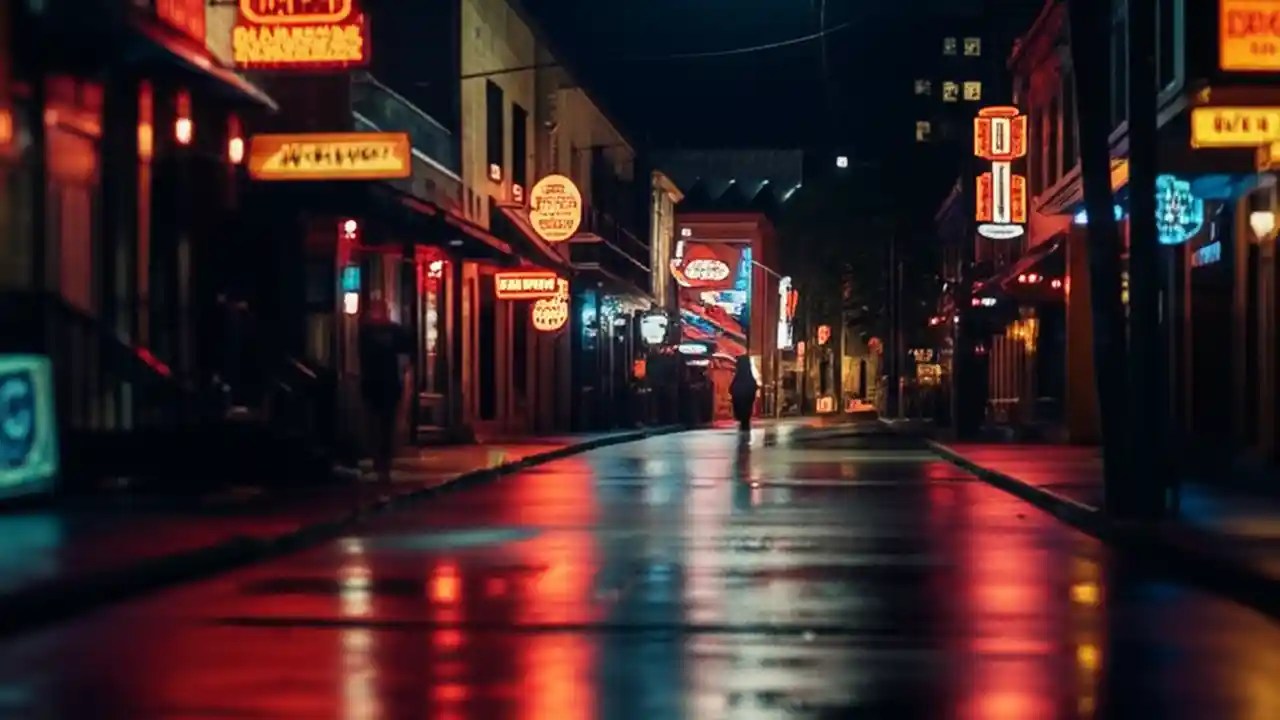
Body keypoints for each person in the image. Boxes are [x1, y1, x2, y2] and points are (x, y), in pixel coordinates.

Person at [359, 298, 410, 487]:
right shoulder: (391, 331)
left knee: (378, 424)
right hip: (385, 383)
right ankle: (382, 462)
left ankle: (380, 461)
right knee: (383, 425)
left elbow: (403, 359)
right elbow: (404, 358)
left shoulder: (367, 332)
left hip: (378, 383)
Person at [729, 356, 759, 431]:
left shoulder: (738, 377)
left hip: (740, 401)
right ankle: (745, 426)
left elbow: (732, 389)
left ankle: (743, 425)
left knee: (742, 415)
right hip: (747, 401)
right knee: (745, 416)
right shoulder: (749, 377)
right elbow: (753, 388)